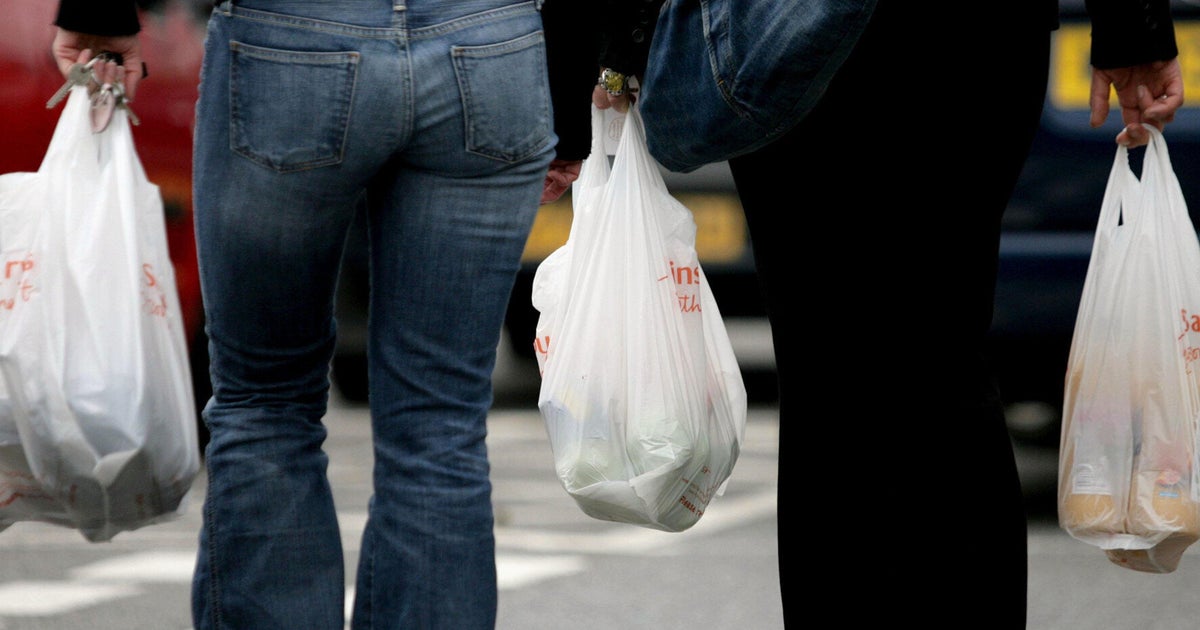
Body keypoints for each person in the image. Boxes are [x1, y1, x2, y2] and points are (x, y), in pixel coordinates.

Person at [542, 1, 1184, 628]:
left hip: (801, 40)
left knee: (828, 382)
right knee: (944, 362)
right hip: (976, 33)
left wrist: (605, 56)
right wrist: (1134, 25)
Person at [51, 0, 599, 627]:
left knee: (266, 405)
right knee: (440, 421)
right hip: (490, 41)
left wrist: (100, 13)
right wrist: (566, 93)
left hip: (289, 38)